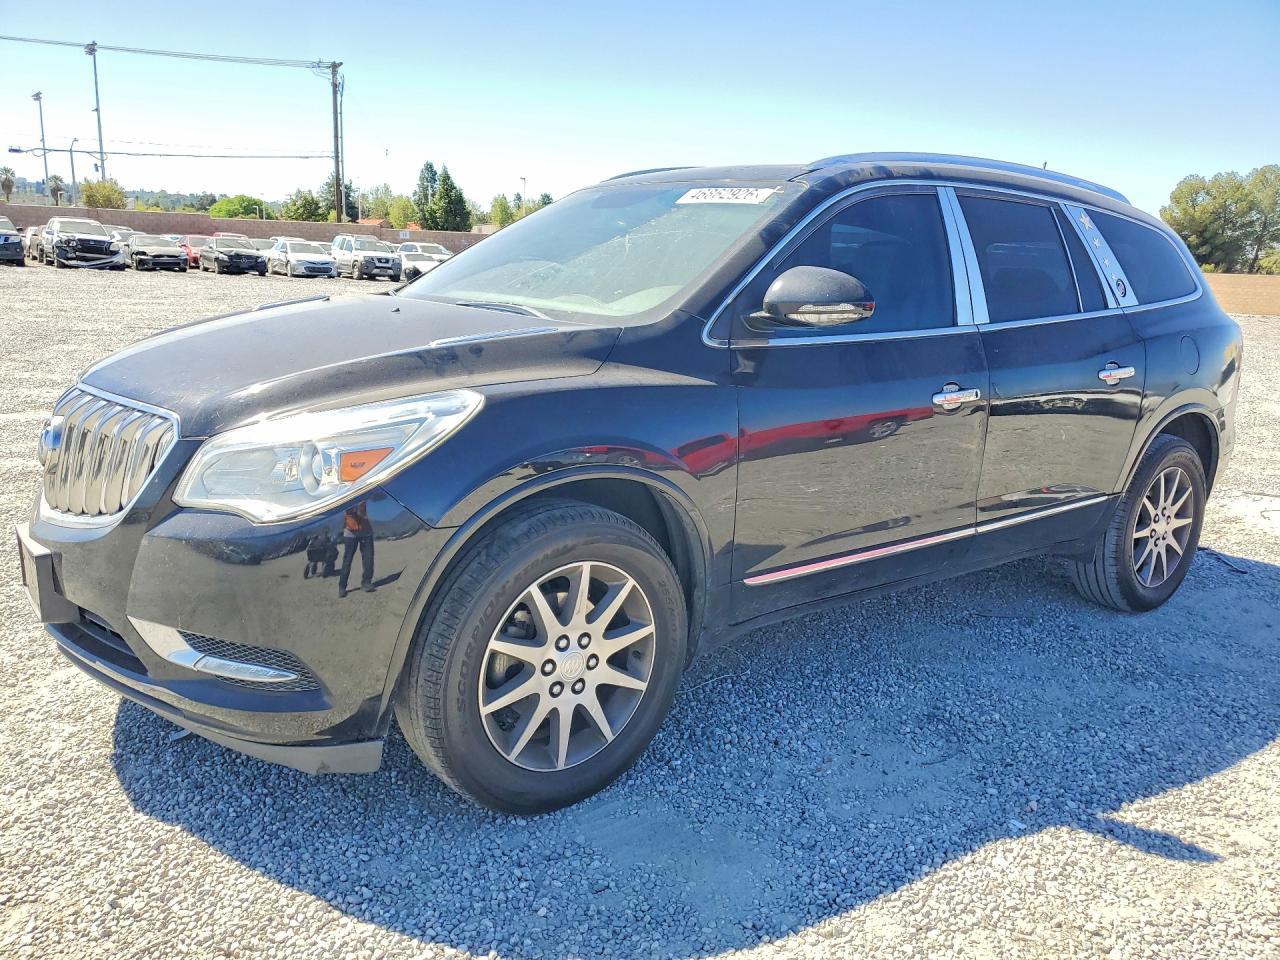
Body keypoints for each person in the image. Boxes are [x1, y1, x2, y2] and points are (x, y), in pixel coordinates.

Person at [338, 503, 375, 598]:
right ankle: (342, 587)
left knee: (368, 558)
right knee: (347, 560)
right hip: (350, 531)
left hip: (365, 530)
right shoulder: (344, 490)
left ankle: (366, 582)